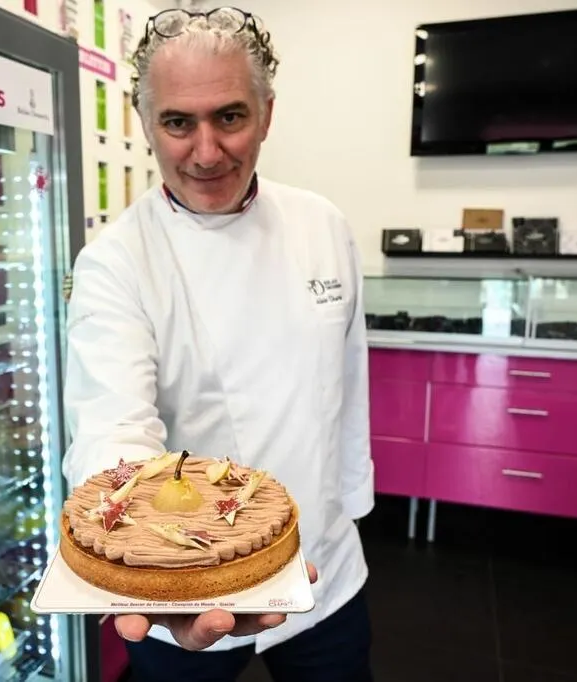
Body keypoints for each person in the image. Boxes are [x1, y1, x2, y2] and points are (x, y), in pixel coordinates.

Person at [61, 6, 373, 681]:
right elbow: (112, 424)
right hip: (187, 592)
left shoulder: (323, 225)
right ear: (146, 125)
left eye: (229, 116)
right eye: (178, 123)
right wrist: (149, 566)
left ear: (266, 111)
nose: (206, 152)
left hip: (327, 566)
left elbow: (347, 390)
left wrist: (351, 504)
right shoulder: (116, 261)